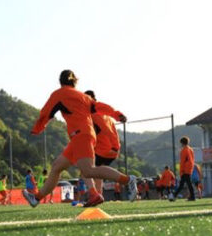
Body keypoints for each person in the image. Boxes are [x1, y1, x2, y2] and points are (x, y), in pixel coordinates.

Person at [22, 70, 137, 208]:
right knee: (57, 167)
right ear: (75, 81)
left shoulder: (59, 94)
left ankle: (128, 180)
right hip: (82, 136)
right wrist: (117, 115)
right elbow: (100, 106)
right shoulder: (83, 96)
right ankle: (36, 198)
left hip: (80, 135)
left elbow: (46, 112)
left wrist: (37, 129)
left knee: (88, 170)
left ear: (60, 81)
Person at [82, 90, 126, 197]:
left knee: (85, 169)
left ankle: (94, 194)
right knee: (98, 173)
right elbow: (111, 128)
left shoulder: (94, 115)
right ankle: (99, 195)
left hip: (104, 149)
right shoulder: (103, 112)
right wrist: (115, 147)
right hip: (112, 149)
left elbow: (105, 130)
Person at [170, 137, 196, 201]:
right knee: (187, 183)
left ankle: (174, 196)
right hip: (189, 168)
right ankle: (191, 197)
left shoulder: (184, 150)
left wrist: (181, 170)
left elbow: (183, 161)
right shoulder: (190, 149)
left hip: (185, 169)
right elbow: (191, 160)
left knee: (183, 184)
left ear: (182, 143)